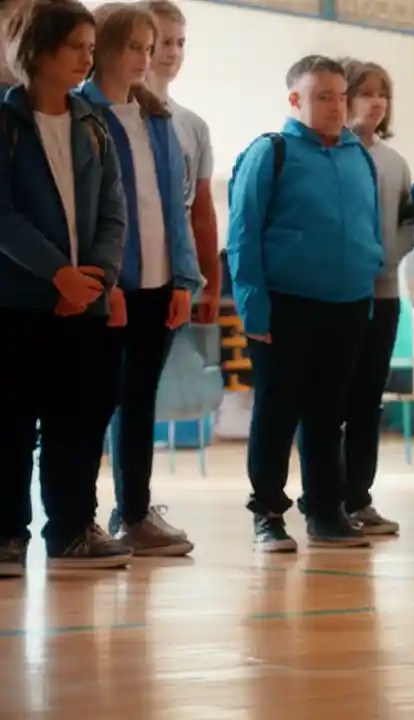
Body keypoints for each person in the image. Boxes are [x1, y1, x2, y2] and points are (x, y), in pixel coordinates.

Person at [226, 54, 383, 552]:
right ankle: (268, 512)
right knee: (276, 410)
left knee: (328, 413)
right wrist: (254, 309)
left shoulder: (358, 155)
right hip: (287, 305)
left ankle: (325, 511)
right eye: (323, 97)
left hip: (349, 304)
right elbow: (244, 235)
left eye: (340, 96)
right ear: (295, 100)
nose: (336, 107)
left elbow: (368, 226)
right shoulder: (269, 153)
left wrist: (365, 279)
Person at [0, 0, 131, 576]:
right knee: (8, 420)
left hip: (85, 303)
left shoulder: (93, 123)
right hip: (19, 301)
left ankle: (73, 528)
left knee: (79, 419)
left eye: (90, 46)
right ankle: (6, 534)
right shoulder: (4, 124)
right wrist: (58, 275)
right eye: (76, 46)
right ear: (40, 50)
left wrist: (92, 280)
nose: (87, 57)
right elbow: (3, 216)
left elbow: (113, 212)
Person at [75, 1, 201, 557]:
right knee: (90, 402)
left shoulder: (158, 118)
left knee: (139, 401)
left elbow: (173, 206)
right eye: (135, 47)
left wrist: (182, 279)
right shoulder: (81, 113)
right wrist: (108, 284)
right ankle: (77, 520)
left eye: (150, 49)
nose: (146, 58)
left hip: (158, 285)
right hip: (110, 289)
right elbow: (86, 214)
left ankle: (134, 513)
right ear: (101, 49)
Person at [323, 58, 413, 535]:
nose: (376, 102)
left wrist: (382, 260)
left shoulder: (394, 163)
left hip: (383, 297)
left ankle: (359, 497)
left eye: (384, 94)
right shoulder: (329, 152)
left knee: (366, 403)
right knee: (329, 402)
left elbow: (407, 224)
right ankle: (325, 499)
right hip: (337, 298)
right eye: (367, 93)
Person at [143, 0, 220, 326]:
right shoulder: (110, 115)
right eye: (165, 41)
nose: (173, 51)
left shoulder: (192, 126)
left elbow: (201, 209)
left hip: (177, 272)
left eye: (180, 43)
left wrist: (212, 282)